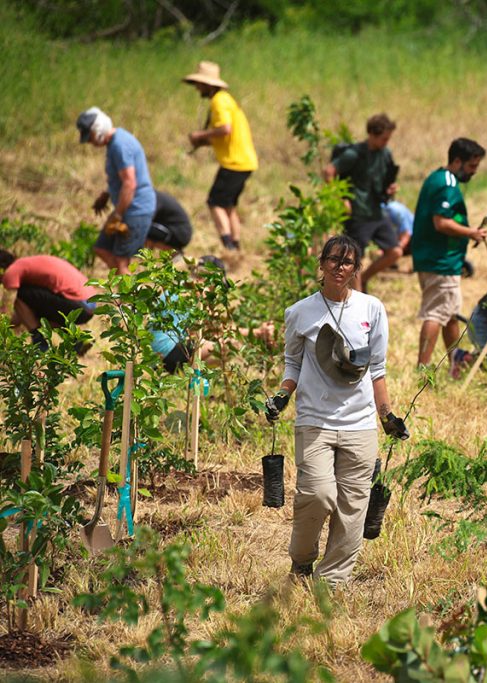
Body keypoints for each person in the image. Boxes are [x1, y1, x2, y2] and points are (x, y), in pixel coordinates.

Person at [264, 234, 408, 586]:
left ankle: (332, 584)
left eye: (347, 262)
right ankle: (301, 561)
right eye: (333, 260)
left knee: (353, 507)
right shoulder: (300, 312)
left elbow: (377, 369)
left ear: (357, 268)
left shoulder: (372, 309)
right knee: (318, 493)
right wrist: (282, 395)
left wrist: (386, 415)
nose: (339, 267)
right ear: (322, 263)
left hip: (359, 424)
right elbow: (292, 364)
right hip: (315, 419)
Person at [411, 138, 487, 369]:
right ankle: (423, 370)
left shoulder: (438, 177)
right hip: (439, 261)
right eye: (472, 166)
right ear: (457, 161)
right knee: (435, 313)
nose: (474, 172)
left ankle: (455, 362)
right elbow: (441, 222)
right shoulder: (446, 184)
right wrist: (471, 232)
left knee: (450, 313)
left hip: (441, 259)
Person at [149, 255, 274, 373]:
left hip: (153, 354)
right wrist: (258, 332)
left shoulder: (180, 286)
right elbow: (216, 330)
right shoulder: (199, 291)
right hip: (168, 352)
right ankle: (193, 381)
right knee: (229, 346)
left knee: (208, 342)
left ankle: (189, 379)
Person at [183, 61, 258, 252]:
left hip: (234, 163)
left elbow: (225, 129)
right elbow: (226, 135)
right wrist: (205, 141)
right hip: (245, 162)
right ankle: (236, 245)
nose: (197, 88)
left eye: (199, 84)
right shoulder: (226, 99)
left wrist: (200, 135)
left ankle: (228, 245)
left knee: (215, 202)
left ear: (208, 85)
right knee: (229, 205)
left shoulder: (219, 101)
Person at [323, 114, 401, 290]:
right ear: (372, 134)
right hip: (358, 214)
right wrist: (339, 198)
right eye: (383, 139)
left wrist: (390, 189)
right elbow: (329, 171)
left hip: (377, 211)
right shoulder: (354, 154)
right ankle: (358, 297)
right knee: (354, 258)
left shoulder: (385, 154)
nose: (386, 142)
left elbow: (385, 178)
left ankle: (364, 279)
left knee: (395, 251)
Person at [77, 107, 156, 274]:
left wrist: (118, 215)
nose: (90, 142)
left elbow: (130, 183)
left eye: (89, 137)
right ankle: (130, 290)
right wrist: (106, 195)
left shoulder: (120, 145)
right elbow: (121, 179)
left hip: (136, 209)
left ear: (97, 130)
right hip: (126, 207)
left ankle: (129, 297)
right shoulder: (115, 143)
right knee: (101, 248)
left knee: (121, 261)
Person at [0, 249, 96, 350]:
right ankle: (77, 340)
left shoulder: (12, 270)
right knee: (33, 311)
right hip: (89, 305)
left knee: (21, 295)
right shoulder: (26, 265)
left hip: (80, 304)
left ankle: (40, 343)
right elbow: (20, 316)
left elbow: (5, 312)